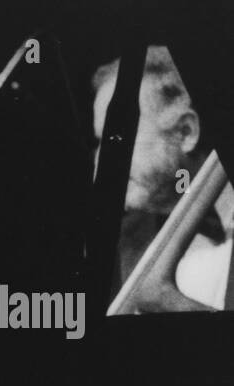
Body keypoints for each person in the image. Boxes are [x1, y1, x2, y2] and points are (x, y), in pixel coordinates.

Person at [91, 45, 234, 310]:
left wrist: (174, 303)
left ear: (186, 132)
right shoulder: (121, 242)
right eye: (101, 142)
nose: (102, 164)